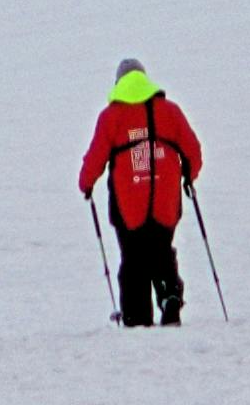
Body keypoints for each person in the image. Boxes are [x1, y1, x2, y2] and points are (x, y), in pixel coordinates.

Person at [79, 57, 203, 328]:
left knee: (134, 258)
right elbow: (192, 149)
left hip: (128, 203)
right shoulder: (170, 111)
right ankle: (170, 295)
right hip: (165, 198)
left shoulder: (111, 116)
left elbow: (96, 156)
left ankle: (137, 319)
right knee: (160, 249)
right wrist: (189, 176)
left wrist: (86, 183)